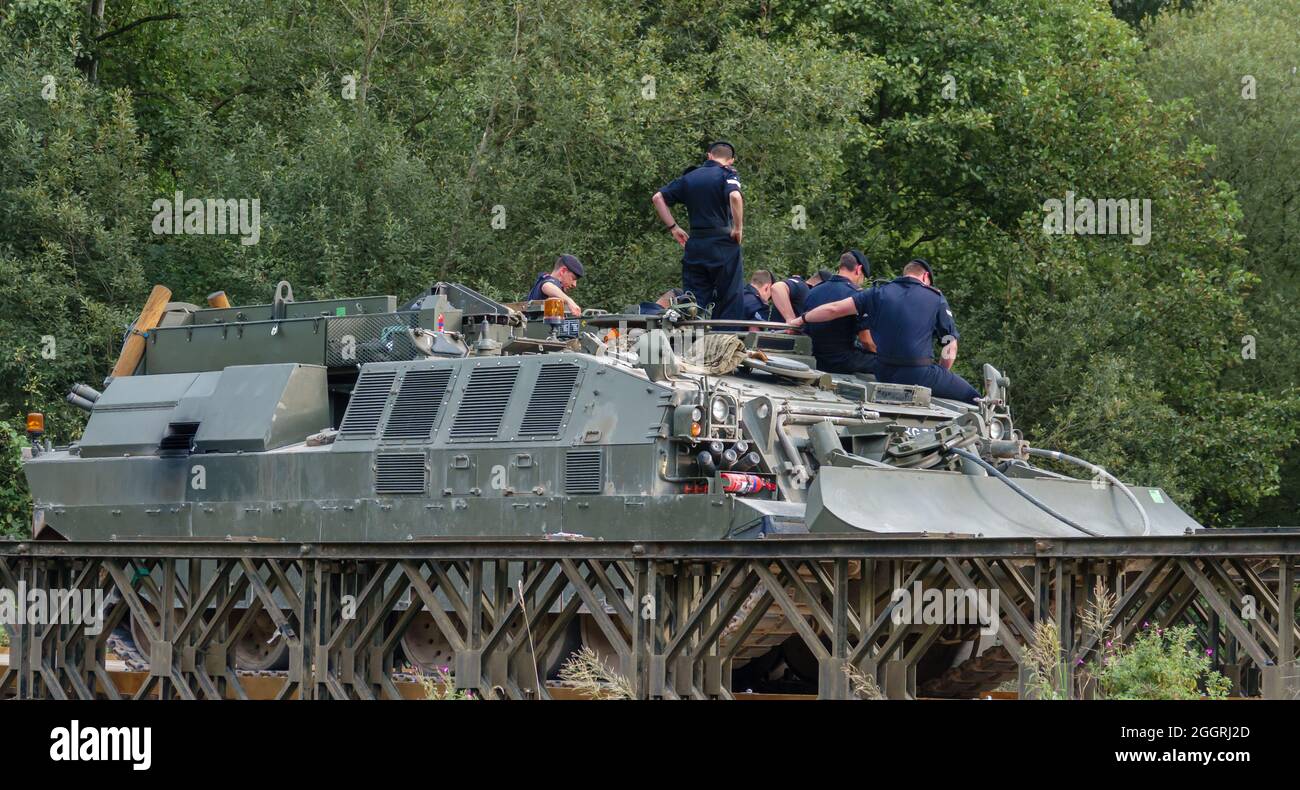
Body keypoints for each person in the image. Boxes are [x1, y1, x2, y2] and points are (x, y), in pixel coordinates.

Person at [790, 258, 980, 403]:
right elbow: (950, 345)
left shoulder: (878, 293)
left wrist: (801, 318)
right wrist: (942, 371)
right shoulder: (935, 298)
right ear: (925, 277)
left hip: (883, 372)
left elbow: (833, 309)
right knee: (974, 398)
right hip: (918, 373)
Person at [651, 141, 745, 320]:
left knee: (693, 301)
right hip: (723, 242)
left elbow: (658, 198)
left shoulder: (690, 177)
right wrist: (738, 228)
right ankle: (726, 341)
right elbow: (734, 196)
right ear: (730, 160)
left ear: (709, 155)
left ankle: (692, 342)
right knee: (730, 296)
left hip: (695, 243)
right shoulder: (728, 174)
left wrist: (674, 227)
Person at [793, 251, 877, 374]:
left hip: (815, 358)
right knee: (886, 363)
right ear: (858, 270)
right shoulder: (857, 296)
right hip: (842, 361)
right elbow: (867, 341)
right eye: (863, 276)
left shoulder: (814, 291)